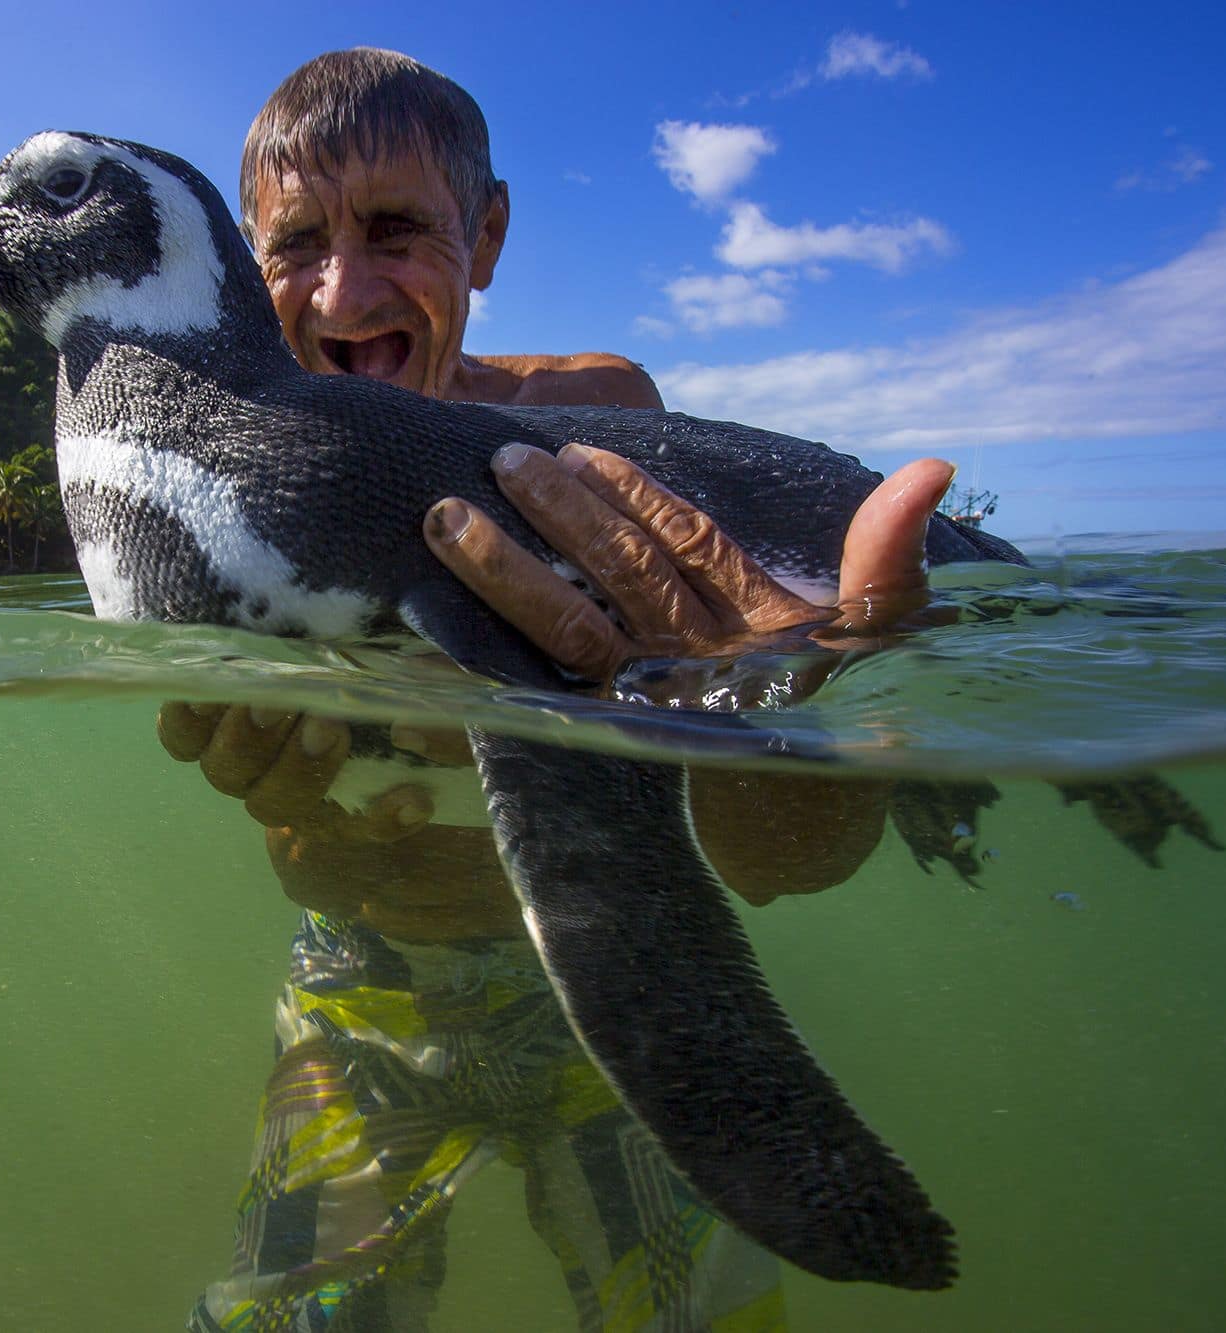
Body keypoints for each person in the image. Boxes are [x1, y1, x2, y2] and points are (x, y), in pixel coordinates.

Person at [176, 49, 952, 1333]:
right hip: (358, 991)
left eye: (396, 230)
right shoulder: (228, 498)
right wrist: (289, 816)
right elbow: (289, 804)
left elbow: (772, 857)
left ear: (483, 239)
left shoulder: (593, 420)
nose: (341, 288)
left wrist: (769, 689)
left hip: (587, 988)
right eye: (292, 242)